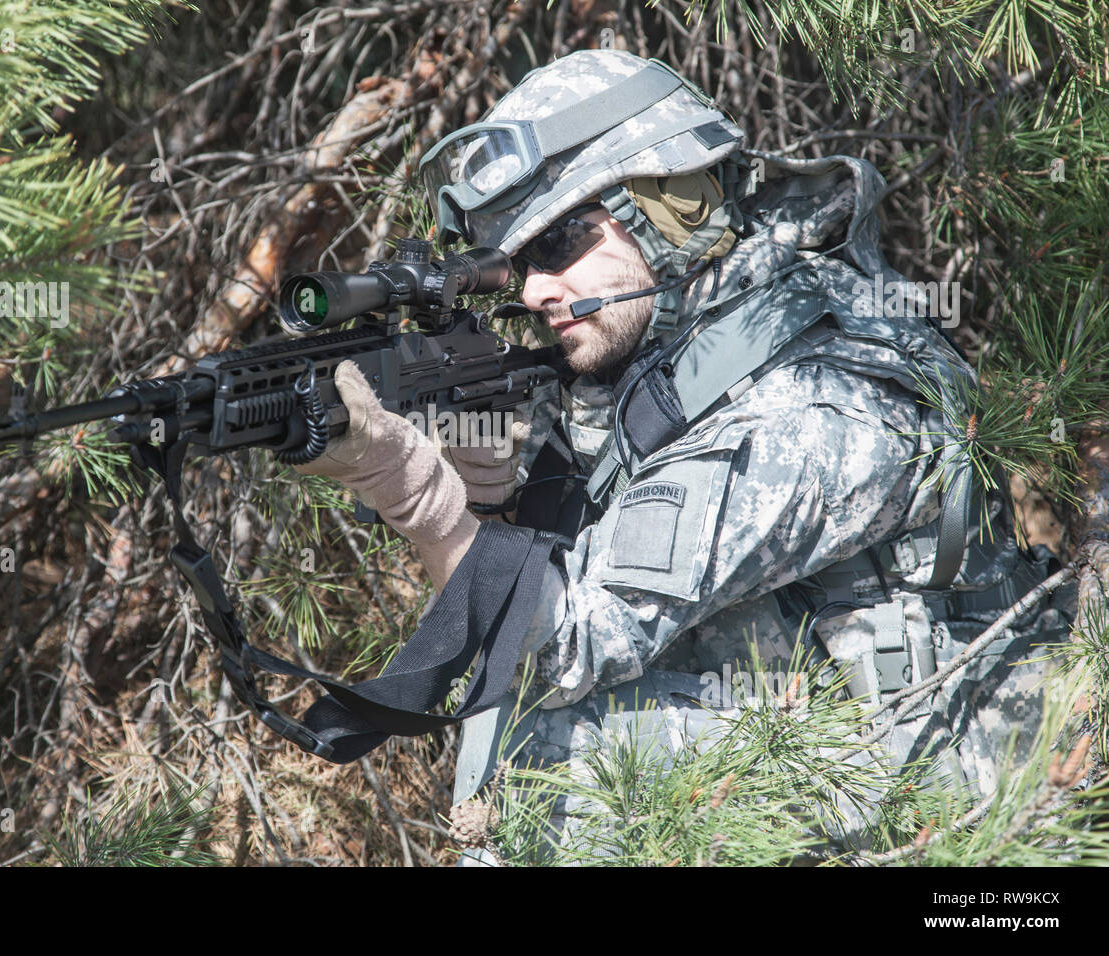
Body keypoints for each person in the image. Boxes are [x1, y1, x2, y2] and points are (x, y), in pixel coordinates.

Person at [296, 50, 1073, 856]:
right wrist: (477, 489)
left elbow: (566, 641)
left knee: (576, 742)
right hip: (797, 795)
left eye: (561, 240)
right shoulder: (653, 364)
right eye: (519, 265)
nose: (531, 291)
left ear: (673, 205)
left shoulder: (816, 401)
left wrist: (414, 490)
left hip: (936, 834)